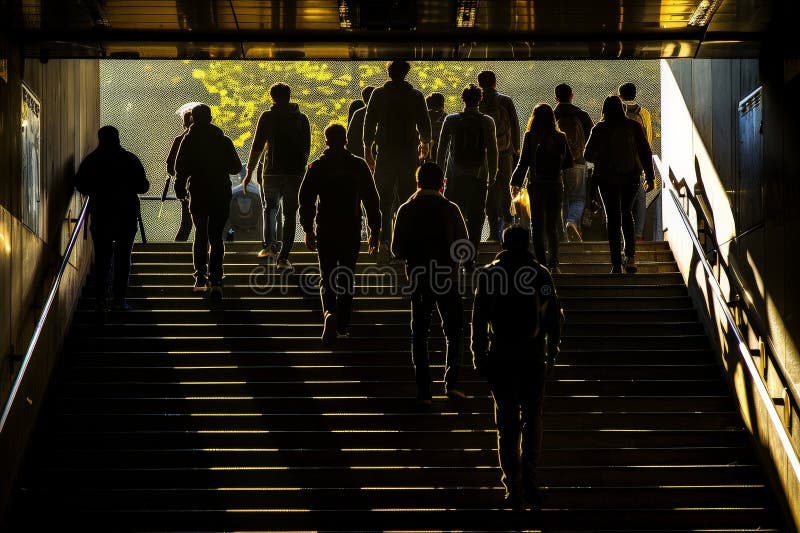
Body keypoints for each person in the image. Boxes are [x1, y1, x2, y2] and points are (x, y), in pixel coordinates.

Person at [471, 225, 562, 510]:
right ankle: (530, 480)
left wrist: (478, 354)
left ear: (504, 243)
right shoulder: (540, 274)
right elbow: (554, 318)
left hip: (501, 355)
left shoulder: (489, 274)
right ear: (528, 244)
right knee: (532, 418)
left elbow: (478, 317)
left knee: (507, 424)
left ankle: (512, 486)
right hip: (532, 356)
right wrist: (551, 353)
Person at [391, 162, 468, 406]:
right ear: (442, 183)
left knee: (420, 335)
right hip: (447, 278)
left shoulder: (406, 209)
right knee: (454, 332)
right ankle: (452, 383)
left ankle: (424, 390)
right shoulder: (451, 209)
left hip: (419, 279)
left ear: (417, 183)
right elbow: (463, 246)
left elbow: (397, 250)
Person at [299, 123, 381, 345]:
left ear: (326, 141)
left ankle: (329, 314)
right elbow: (371, 200)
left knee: (327, 276)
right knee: (346, 276)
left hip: (325, 227)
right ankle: (343, 324)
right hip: (350, 227)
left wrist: (307, 228)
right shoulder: (357, 165)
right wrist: (374, 230)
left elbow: (305, 199)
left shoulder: (316, 166)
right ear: (345, 140)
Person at [363, 60, 432, 263]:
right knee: (406, 199)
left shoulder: (379, 94)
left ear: (389, 73)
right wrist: (425, 144)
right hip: (408, 155)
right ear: (406, 73)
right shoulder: (415, 96)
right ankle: (404, 244)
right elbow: (424, 123)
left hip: (385, 154)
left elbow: (369, 124)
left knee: (383, 200)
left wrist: (368, 149)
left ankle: (384, 240)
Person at [75, 125, 149, 311]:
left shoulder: (92, 160)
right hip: (126, 215)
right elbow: (143, 186)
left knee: (102, 258)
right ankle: (119, 300)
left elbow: (80, 184)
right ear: (117, 138)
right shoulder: (130, 159)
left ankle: (100, 300)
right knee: (123, 258)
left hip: (101, 215)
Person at [174, 104, 242, 295]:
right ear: (211, 118)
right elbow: (236, 167)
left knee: (200, 234)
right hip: (220, 192)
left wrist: (180, 189)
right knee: (216, 236)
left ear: (193, 119)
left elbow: (181, 170)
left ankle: (199, 275)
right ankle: (216, 278)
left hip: (198, 192)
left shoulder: (187, 141)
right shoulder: (223, 140)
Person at [242, 82, 311, 268]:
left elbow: (257, 145)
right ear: (289, 96)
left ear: (272, 97)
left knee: (270, 208)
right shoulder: (301, 119)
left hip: (271, 172)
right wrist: (300, 167)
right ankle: (284, 257)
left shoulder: (267, 117)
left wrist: (249, 170)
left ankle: (270, 246)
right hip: (294, 174)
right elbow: (306, 148)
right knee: (290, 213)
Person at [584, 95, 654, 273]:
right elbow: (645, 152)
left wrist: (602, 155)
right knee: (627, 214)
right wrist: (650, 176)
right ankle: (630, 258)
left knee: (612, 218)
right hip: (630, 177)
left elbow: (587, 155)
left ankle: (616, 263)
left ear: (604, 110)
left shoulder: (599, 128)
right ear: (622, 109)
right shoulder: (633, 126)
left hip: (606, 179)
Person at [436, 84, 498, 267]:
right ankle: (470, 256)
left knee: (454, 216)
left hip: (455, 177)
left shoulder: (451, 120)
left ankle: (452, 255)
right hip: (479, 177)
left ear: (462, 98)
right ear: (480, 99)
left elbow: (441, 149)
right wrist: (492, 174)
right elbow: (493, 150)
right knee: (476, 217)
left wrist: (440, 173)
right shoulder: (487, 122)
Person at [511, 103, 573, 273]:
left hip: (536, 185)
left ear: (534, 118)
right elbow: (569, 162)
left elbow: (523, 163)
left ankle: (541, 264)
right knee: (552, 225)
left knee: (536, 225)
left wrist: (515, 182)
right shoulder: (561, 137)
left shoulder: (530, 136)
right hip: (555, 185)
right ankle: (554, 263)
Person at [477, 70, 521, 242]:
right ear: (495, 82)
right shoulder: (505, 100)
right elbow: (515, 126)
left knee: (489, 189)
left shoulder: (477, 100)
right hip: (504, 152)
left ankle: (493, 232)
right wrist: (516, 148)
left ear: (479, 83)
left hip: (485, 155)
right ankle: (507, 227)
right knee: (505, 188)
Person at [553, 83, 594, 242]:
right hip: (577, 162)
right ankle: (571, 221)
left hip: (556, 165)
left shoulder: (551, 114)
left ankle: (563, 234)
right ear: (572, 95)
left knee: (562, 199)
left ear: (556, 98)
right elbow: (592, 138)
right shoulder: (581, 114)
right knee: (578, 198)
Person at [619, 82, 654, 242]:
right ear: (635, 94)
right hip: (637, 166)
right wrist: (649, 173)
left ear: (620, 96)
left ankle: (620, 236)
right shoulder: (644, 113)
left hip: (617, 166)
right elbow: (648, 142)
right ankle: (638, 235)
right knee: (640, 198)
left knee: (619, 202)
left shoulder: (613, 112)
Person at [165, 110, 194, 241]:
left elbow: (170, 166)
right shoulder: (212, 140)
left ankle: (177, 250)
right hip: (206, 186)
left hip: (186, 187)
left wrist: (180, 180)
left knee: (186, 223)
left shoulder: (179, 140)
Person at [346, 85, 375, 159]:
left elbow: (350, 140)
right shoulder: (382, 113)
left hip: (358, 155)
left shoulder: (358, 114)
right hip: (368, 154)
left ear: (364, 100)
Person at [426, 92, 447, 162]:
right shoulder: (446, 117)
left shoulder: (425, 116)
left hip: (427, 151)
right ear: (442, 104)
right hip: (442, 151)